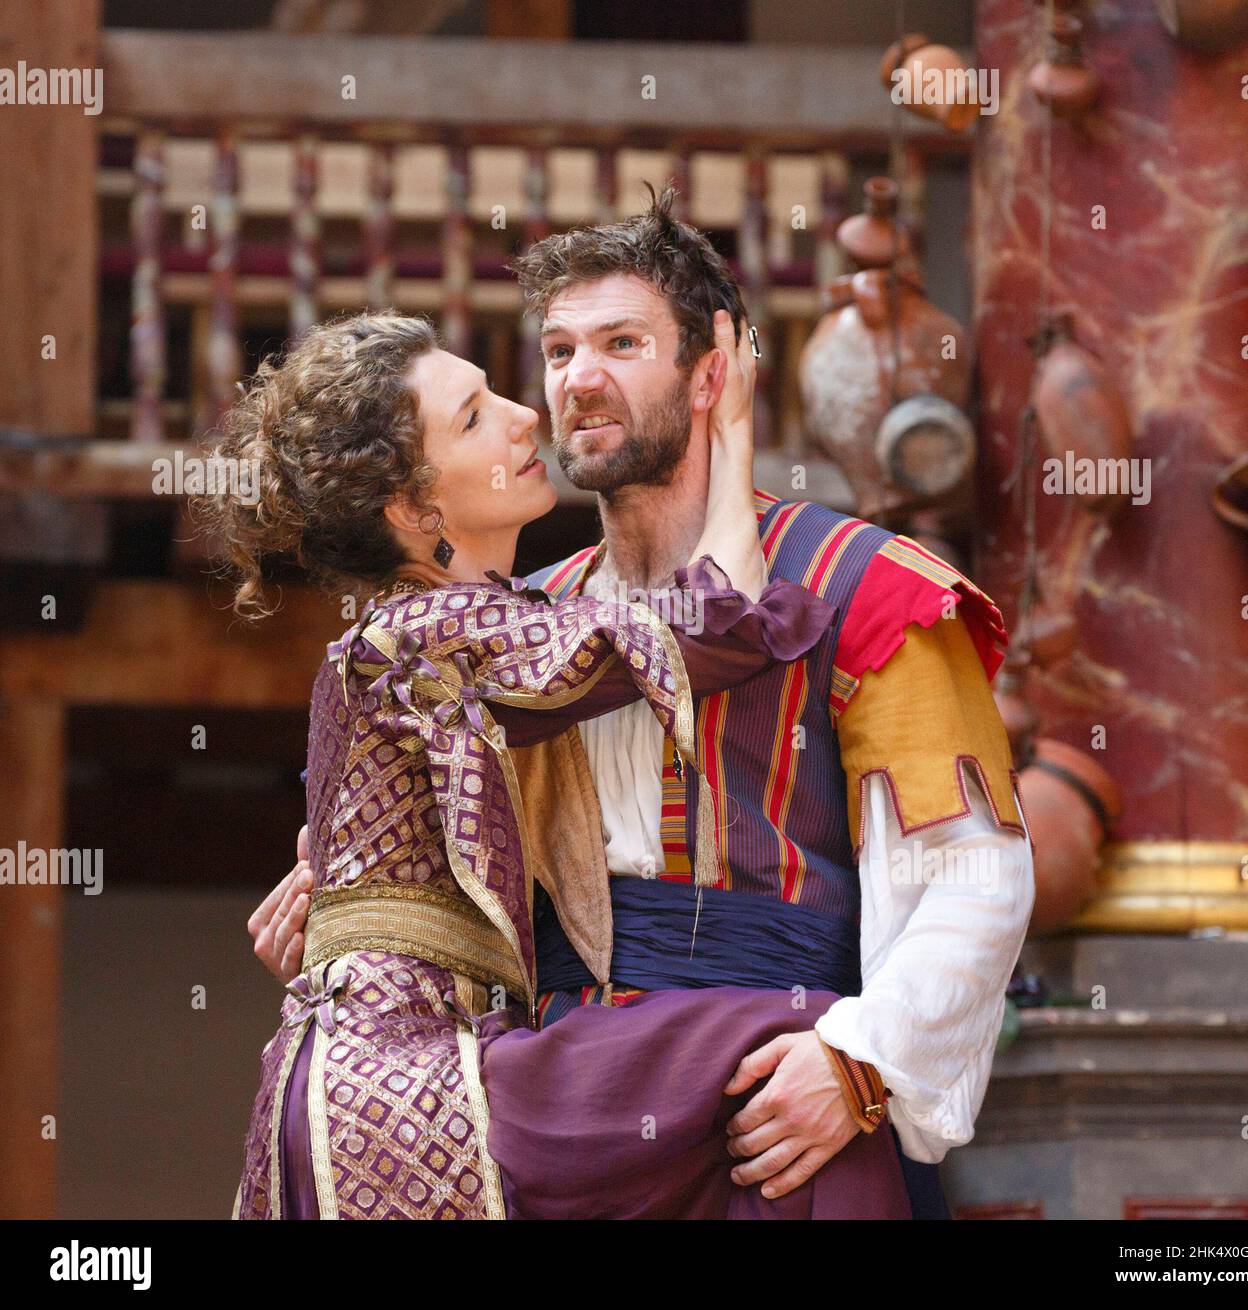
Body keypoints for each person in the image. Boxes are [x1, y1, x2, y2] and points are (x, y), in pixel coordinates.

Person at [252, 187, 1035, 1220]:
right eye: (560, 350)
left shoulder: (873, 586)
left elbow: (973, 879)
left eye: (620, 342)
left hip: (781, 1098)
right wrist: (345, 898)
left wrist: (859, 1058)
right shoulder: (521, 623)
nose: (576, 381)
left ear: (713, 371)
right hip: (555, 1116)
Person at [209, 307, 835, 1219]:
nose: (525, 415)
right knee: (797, 1031)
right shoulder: (430, 630)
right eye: (473, 418)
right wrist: (732, 430)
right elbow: (716, 624)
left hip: (358, 1072)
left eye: (500, 390)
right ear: (413, 509)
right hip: (403, 1080)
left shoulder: (405, 638)